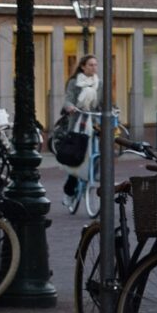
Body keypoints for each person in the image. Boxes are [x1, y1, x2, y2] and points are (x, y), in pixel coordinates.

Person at [61, 54, 102, 205]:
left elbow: (103, 104)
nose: (94, 68)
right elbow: (68, 99)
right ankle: (69, 192)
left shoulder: (100, 83)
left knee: (97, 156)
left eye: (95, 65)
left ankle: (91, 179)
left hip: (95, 125)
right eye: (90, 65)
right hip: (78, 124)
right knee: (77, 159)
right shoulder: (74, 82)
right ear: (83, 67)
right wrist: (70, 106)